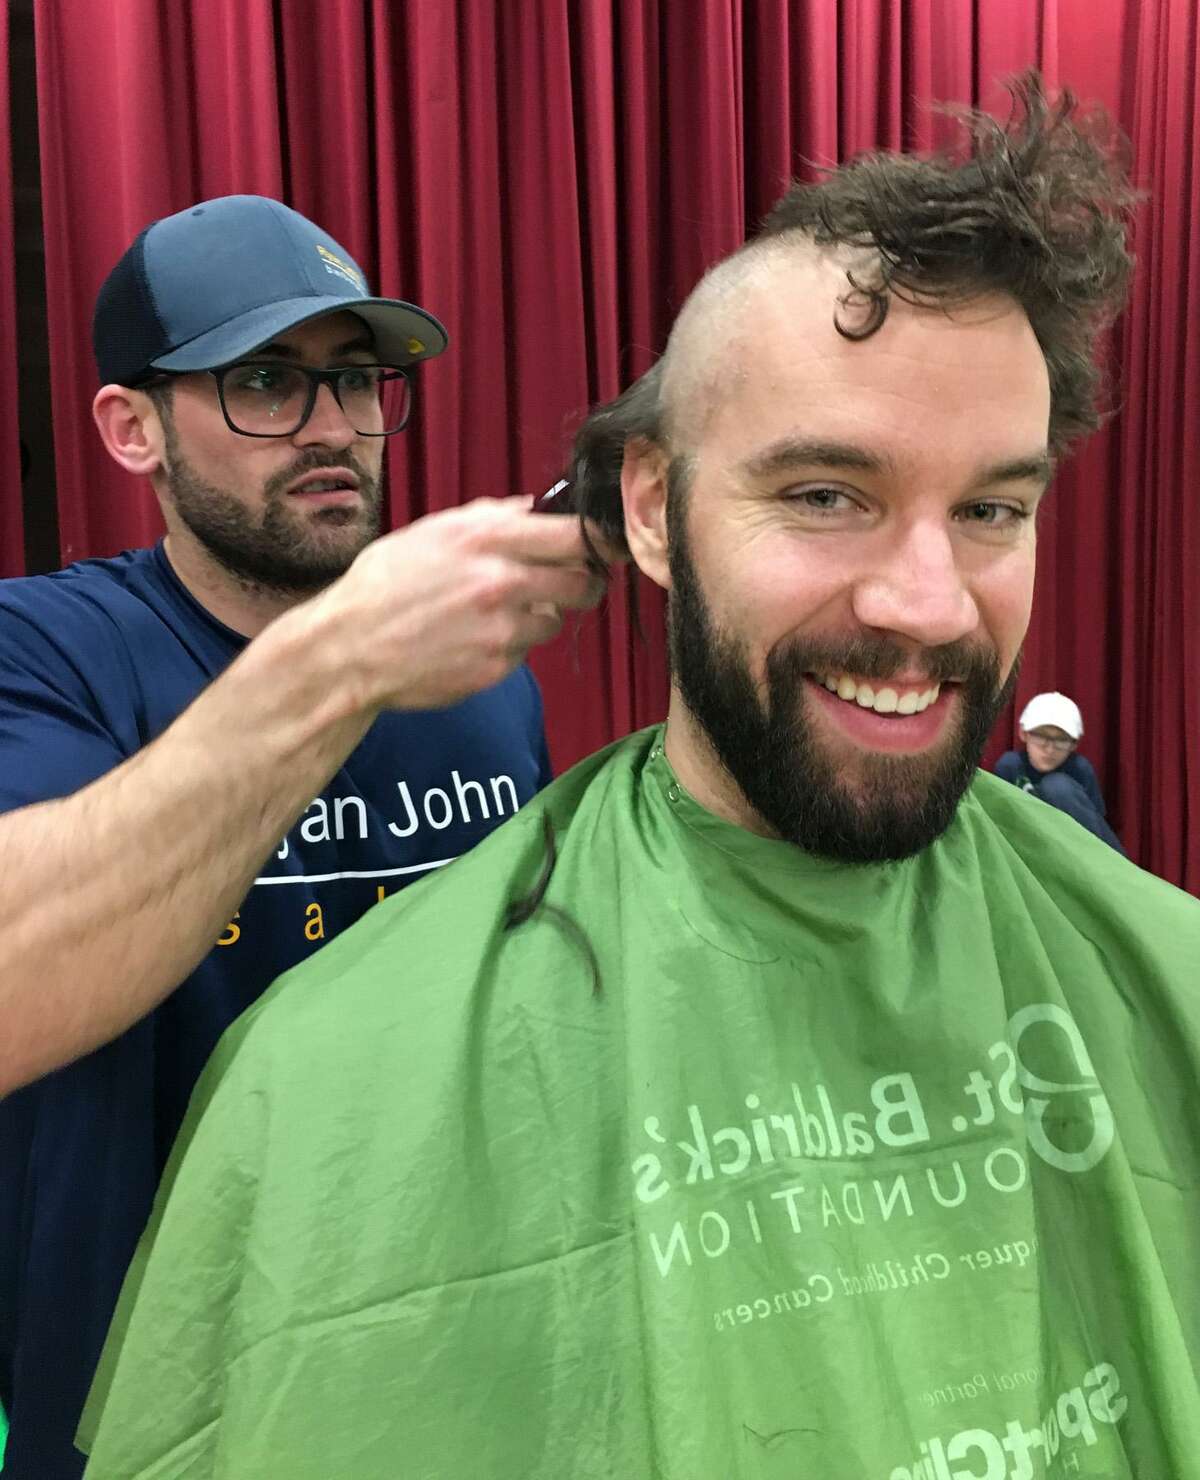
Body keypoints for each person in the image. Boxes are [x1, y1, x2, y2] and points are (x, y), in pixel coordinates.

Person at [79, 81, 1200, 1480]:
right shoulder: (315, 1064)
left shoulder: (1167, 973)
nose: (927, 603)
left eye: (991, 509)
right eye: (824, 494)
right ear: (653, 508)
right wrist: (338, 665)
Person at [0, 195, 608, 1479]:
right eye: (267, 380)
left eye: (356, 381)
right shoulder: (44, 653)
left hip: (452, 1374)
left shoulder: (484, 681)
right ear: (132, 428)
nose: (333, 428)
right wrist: (343, 663)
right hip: (160, 1406)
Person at [994, 691, 1127, 853]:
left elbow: (1096, 822)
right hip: (1029, 848)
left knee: (1056, 786)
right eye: (1041, 736)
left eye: (1061, 740)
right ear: (1024, 734)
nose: (1049, 749)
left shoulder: (1079, 768)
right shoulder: (1010, 766)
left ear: (1074, 744)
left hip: (1079, 849)